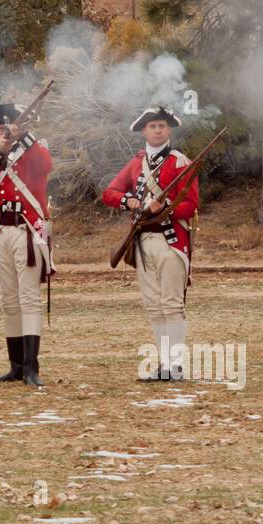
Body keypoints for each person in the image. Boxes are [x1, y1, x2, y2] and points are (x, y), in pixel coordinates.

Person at [102, 106, 200, 381]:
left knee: (171, 304)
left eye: (163, 126)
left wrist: (163, 207)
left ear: (169, 130)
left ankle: (176, 366)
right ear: (144, 131)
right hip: (143, 243)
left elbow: (190, 205)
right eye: (153, 126)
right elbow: (109, 192)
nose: (158, 130)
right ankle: (163, 364)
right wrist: (131, 201)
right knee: (153, 305)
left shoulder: (180, 162)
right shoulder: (136, 163)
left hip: (171, 241)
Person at [0, 99, 55, 387]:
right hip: (1, 232)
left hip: (27, 231)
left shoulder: (35, 147)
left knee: (28, 298)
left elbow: (45, 166)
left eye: (4, 128)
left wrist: (23, 137)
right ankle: (16, 366)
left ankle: (31, 367)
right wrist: (0, 148)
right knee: (9, 301)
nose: (0, 133)